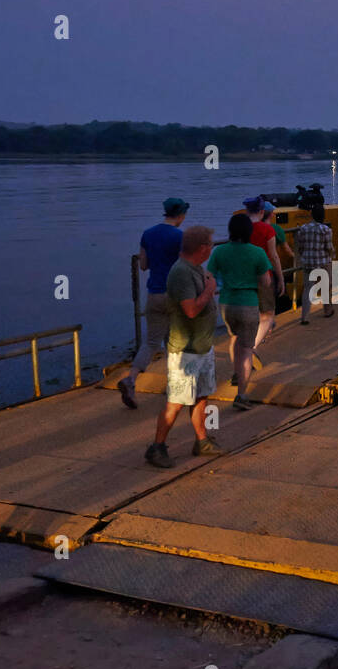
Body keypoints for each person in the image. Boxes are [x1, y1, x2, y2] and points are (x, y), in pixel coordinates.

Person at [145, 225, 223, 468]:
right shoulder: (180, 273)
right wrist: (210, 291)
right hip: (185, 351)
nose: (212, 248)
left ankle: (202, 441)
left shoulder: (195, 269)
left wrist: (207, 286)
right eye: (210, 244)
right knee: (176, 401)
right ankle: (157, 447)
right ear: (202, 248)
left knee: (201, 396)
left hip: (202, 346)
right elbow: (190, 310)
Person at [117, 197, 188, 409]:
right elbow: (186, 265)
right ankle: (174, 386)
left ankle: (130, 379)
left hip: (154, 294)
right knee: (176, 343)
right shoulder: (180, 236)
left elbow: (143, 265)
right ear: (181, 215)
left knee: (151, 342)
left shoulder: (148, 234)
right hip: (175, 295)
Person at [208, 213, 273, 411]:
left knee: (234, 338)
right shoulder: (257, 253)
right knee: (246, 350)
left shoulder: (219, 252)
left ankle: (237, 373)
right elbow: (265, 282)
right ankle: (241, 394)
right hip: (248, 302)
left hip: (226, 303)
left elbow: (209, 276)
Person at [245, 196, 284, 357]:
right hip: (263, 276)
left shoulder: (242, 228)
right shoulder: (268, 230)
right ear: (262, 212)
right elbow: (274, 256)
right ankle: (252, 348)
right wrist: (281, 278)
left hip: (244, 276)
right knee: (267, 314)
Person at [295, 204, 335, 324]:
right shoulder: (326, 230)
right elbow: (328, 247)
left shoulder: (303, 228)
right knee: (326, 286)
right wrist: (332, 255)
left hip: (308, 262)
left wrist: (304, 256)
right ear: (323, 215)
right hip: (322, 262)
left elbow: (300, 247)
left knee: (308, 288)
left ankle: (304, 317)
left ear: (311, 215)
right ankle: (327, 311)